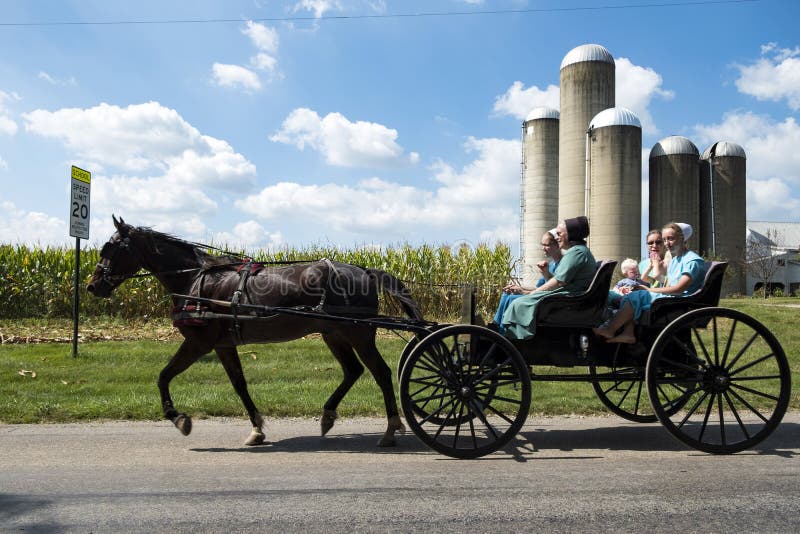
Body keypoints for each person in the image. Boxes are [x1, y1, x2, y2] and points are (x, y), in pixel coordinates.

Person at [593, 222, 706, 344]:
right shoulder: (676, 260)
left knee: (638, 296)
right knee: (631, 296)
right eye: (665, 239)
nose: (667, 243)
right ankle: (628, 333)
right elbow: (667, 284)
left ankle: (610, 329)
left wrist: (648, 290)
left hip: (682, 301)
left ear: (682, 238)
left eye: (670, 239)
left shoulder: (692, 261)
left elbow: (678, 289)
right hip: (672, 298)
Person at [498, 216, 597, 340]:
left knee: (518, 303)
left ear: (571, 234)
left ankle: (510, 340)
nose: (557, 237)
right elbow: (557, 280)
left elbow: (558, 282)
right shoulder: (578, 251)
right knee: (515, 300)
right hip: (569, 297)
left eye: (560, 233)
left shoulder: (577, 253)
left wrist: (532, 293)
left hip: (569, 300)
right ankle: (502, 333)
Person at [492, 229, 562, 326]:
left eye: (546, 245)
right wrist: (518, 288)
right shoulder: (551, 264)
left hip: (548, 302)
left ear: (557, 245)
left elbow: (553, 288)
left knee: (512, 299)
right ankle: (496, 324)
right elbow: (539, 288)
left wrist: (522, 291)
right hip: (542, 296)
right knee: (507, 293)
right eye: (542, 245)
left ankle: (503, 330)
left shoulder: (563, 265)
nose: (543, 248)